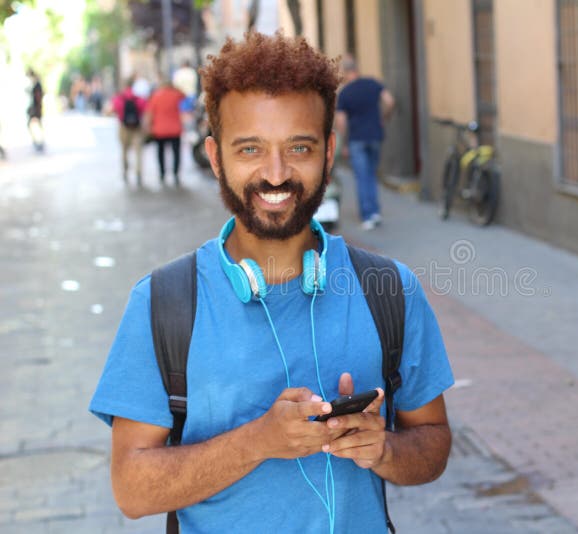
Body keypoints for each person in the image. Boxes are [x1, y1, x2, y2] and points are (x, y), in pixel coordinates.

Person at [89, 32, 453, 532]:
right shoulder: (163, 302)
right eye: (250, 149)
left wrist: (383, 448)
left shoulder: (389, 289)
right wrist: (257, 441)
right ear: (216, 157)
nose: (276, 174)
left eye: (299, 147)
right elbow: (132, 490)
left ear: (329, 152)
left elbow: (433, 444)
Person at [334, 56, 395, 230]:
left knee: (362, 177)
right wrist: (384, 118)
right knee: (371, 174)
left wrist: (344, 143)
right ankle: (375, 212)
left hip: (356, 139)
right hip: (375, 136)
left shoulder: (345, 93)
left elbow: (341, 121)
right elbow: (390, 101)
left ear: (346, 73)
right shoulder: (372, 83)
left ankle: (368, 215)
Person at [145, 80, 185, 186]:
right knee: (176, 152)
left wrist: (149, 126)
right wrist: (176, 88)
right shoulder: (175, 94)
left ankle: (162, 172)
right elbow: (184, 95)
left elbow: (150, 113)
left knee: (160, 152)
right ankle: (175, 173)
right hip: (174, 129)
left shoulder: (156, 95)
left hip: (160, 129)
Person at [110, 77, 148, 186]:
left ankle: (125, 171)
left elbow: (112, 110)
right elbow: (145, 111)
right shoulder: (139, 99)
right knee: (138, 151)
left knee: (124, 150)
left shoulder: (118, 98)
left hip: (124, 127)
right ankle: (138, 172)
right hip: (137, 128)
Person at [26, 69, 45, 153]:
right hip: (35, 108)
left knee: (36, 125)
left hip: (36, 108)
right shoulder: (34, 84)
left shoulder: (37, 85)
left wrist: (38, 108)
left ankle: (39, 141)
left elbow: (38, 96)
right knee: (36, 125)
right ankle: (38, 141)